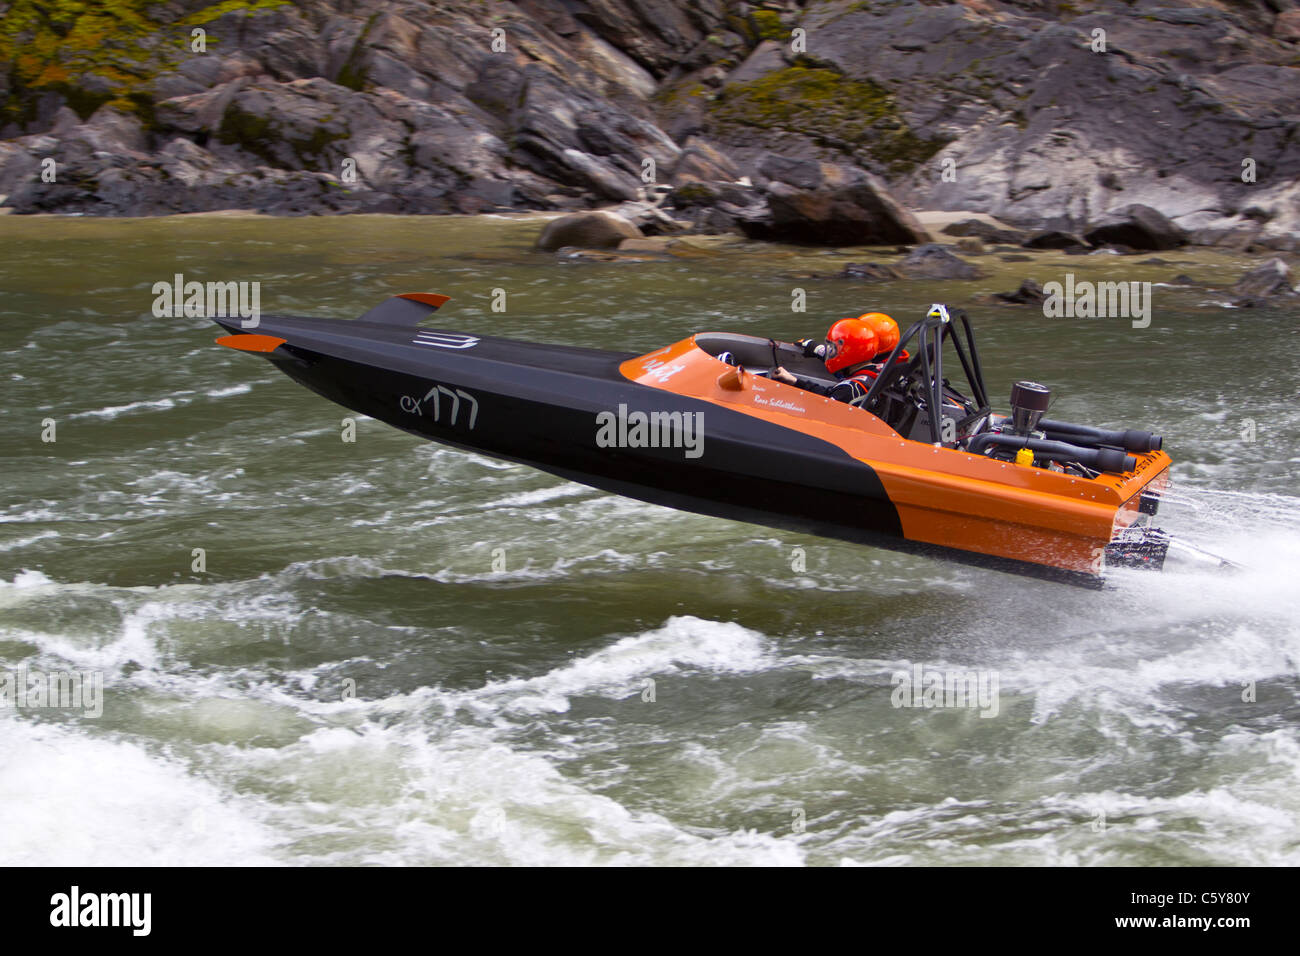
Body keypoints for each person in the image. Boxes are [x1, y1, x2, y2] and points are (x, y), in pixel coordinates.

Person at [771, 313, 900, 403]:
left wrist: (794, 381)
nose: (829, 351)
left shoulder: (849, 389)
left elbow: (825, 400)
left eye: (833, 348)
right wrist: (813, 347)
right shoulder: (884, 369)